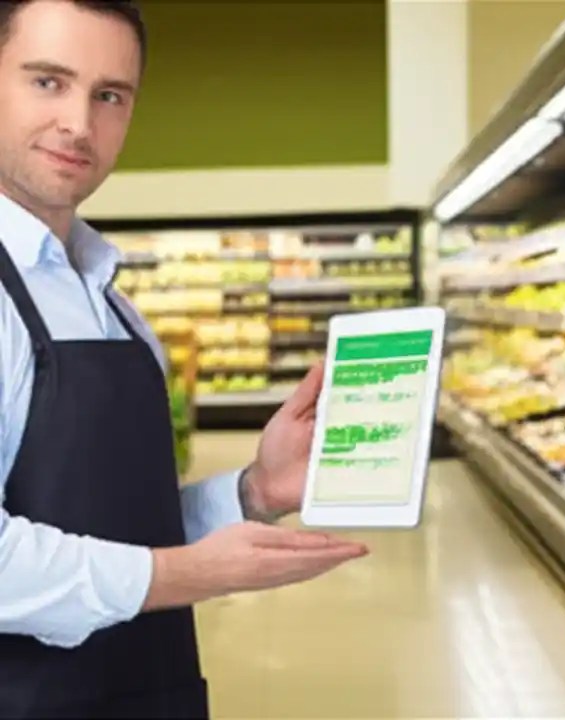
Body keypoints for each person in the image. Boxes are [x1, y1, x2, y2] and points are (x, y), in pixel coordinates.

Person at [0, 1, 370, 717]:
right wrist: (179, 576)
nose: (80, 123)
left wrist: (253, 492)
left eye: (110, 95)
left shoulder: (106, 295)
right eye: (47, 82)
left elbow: (116, 525)